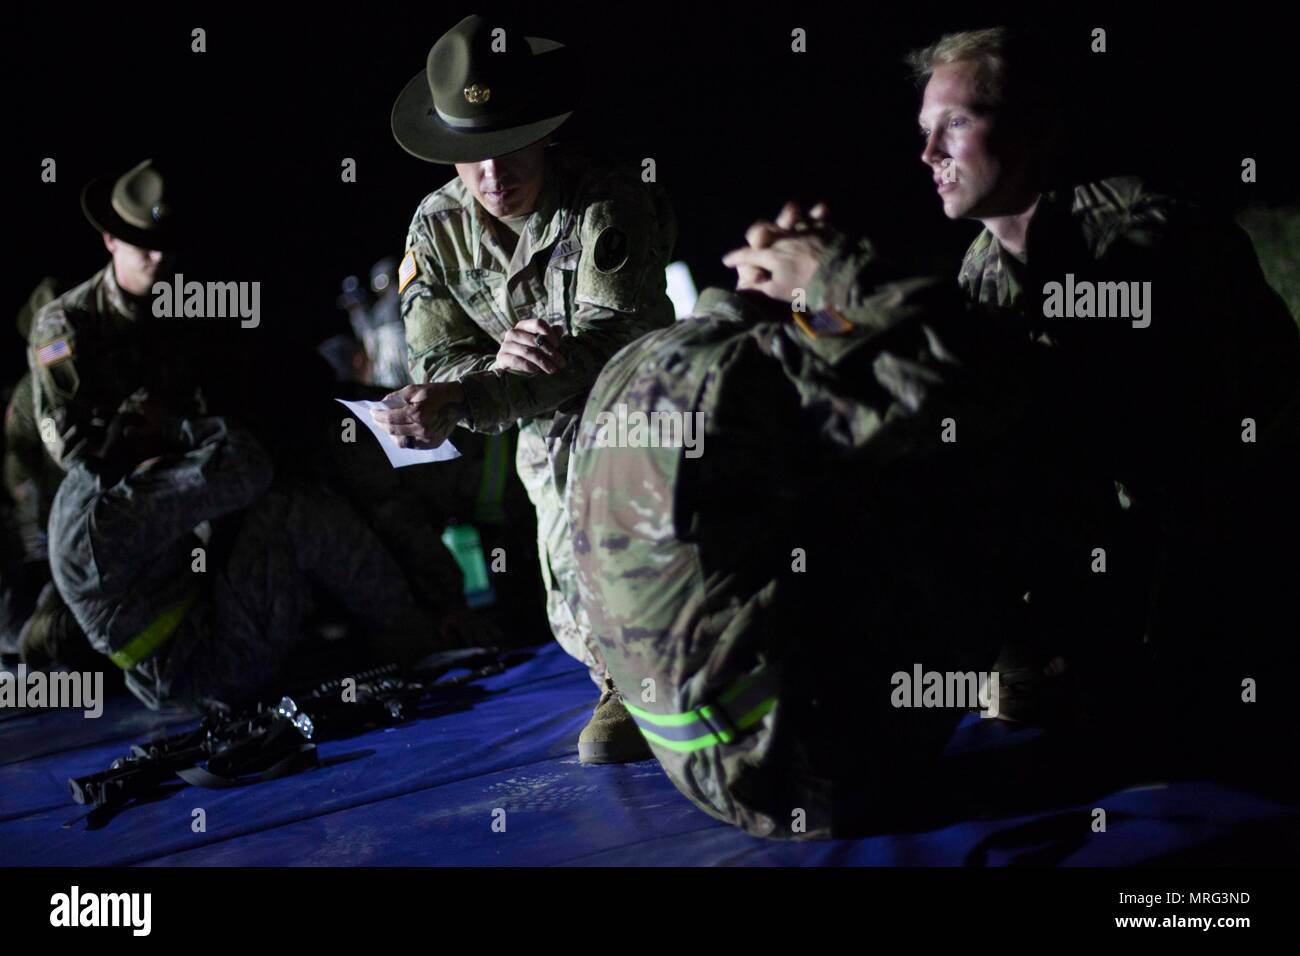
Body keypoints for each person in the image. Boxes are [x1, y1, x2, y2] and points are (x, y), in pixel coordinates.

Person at [722, 26, 1300, 720]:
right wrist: (812, 313)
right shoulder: (981, 265)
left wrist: (846, 280)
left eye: (955, 124)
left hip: (1231, 561)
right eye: (924, 131)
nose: (929, 153)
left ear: (1037, 127)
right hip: (1117, 553)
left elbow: (1052, 400)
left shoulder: (1150, 230)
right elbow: (949, 408)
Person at [374, 14, 677, 763]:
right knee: (557, 509)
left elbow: (611, 345)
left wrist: (479, 393)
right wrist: (476, 380)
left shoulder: (608, 201)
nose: (493, 175)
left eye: (509, 146)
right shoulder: (434, 231)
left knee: (610, 490)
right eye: (470, 157)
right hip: (539, 426)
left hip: (647, 400)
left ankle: (659, 671)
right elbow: (438, 358)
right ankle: (620, 674)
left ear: (545, 131)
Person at [47, 396, 448, 711]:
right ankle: (412, 635)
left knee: (244, 515)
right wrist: (176, 423)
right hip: (210, 667)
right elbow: (246, 469)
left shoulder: (80, 494)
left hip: (183, 661)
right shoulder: (111, 514)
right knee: (286, 511)